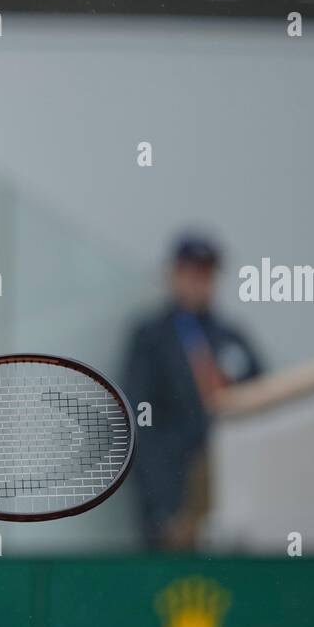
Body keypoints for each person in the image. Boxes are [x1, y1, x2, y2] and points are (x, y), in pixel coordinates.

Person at [122, 232, 263, 550]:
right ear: (173, 275)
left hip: (228, 486)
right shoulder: (150, 339)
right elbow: (139, 424)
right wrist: (164, 508)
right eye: (191, 272)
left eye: (206, 274)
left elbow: (262, 397)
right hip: (174, 492)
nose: (198, 282)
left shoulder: (231, 336)